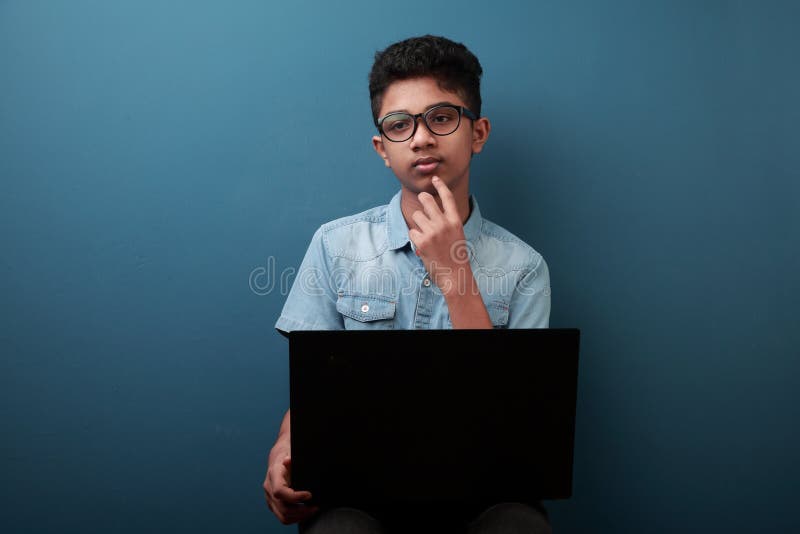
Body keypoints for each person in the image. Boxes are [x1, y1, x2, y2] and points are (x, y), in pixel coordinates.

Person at [263, 35, 552, 533]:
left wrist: (455, 272)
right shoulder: (336, 246)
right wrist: (283, 448)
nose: (421, 138)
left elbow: (511, 424)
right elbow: (312, 392)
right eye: (400, 125)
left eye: (441, 117)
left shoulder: (524, 267)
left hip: (481, 492)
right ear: (382, 148)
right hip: (358, 493)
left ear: (477, 132)